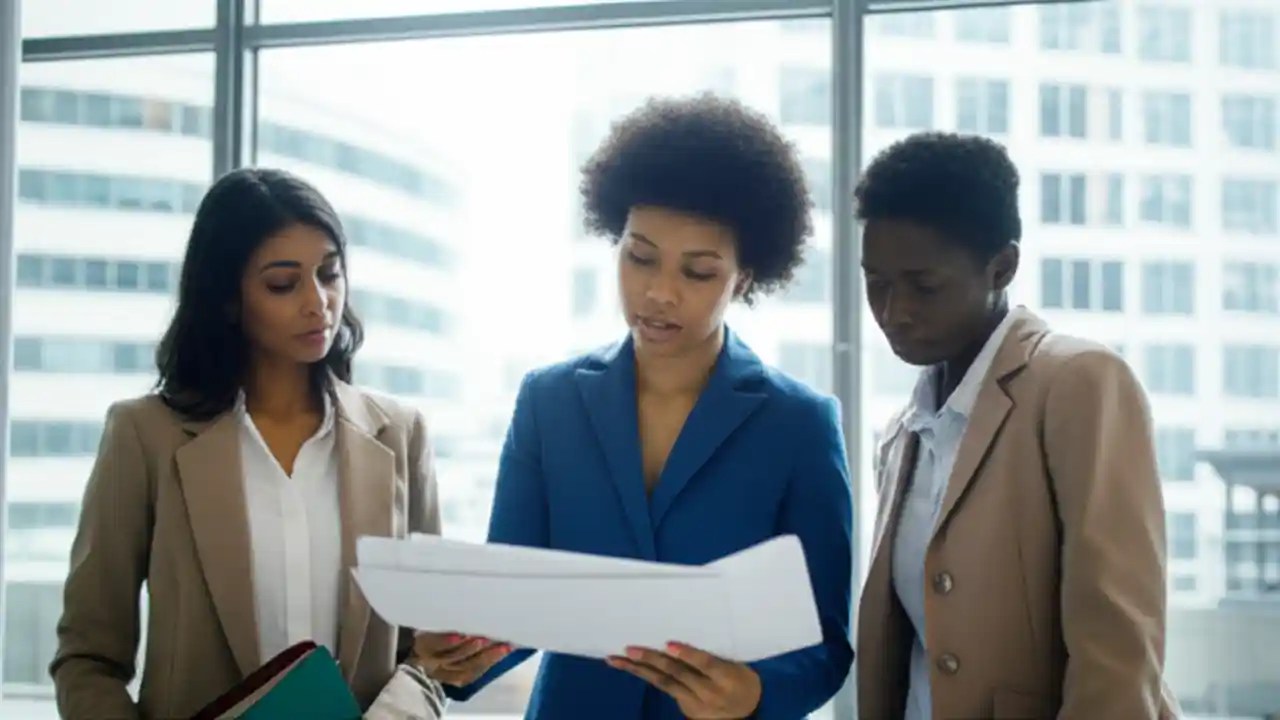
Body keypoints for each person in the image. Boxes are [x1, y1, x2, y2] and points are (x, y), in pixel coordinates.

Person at [413, 94, 855, 719]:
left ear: (745, 279)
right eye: (639, 257)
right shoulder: (550, 401)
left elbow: (827, 643)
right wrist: (462, 652)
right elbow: (516, 602)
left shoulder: (800, 425)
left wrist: (756, 693)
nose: (658, 292)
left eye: (698, 272)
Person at [50, 168, 448, 719]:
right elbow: (88, 658)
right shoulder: (144, 437)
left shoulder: (401, 436)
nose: (318, 303)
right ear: (226, 299)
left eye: (329, 275)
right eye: (283, 284)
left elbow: (428, 656)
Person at [853, 132, 1179, 719]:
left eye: (924, 286)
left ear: (1001, 267)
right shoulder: (902, 436)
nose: (893, 311)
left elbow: (1119, 648)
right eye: (876, 282)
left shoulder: (1078, 383)